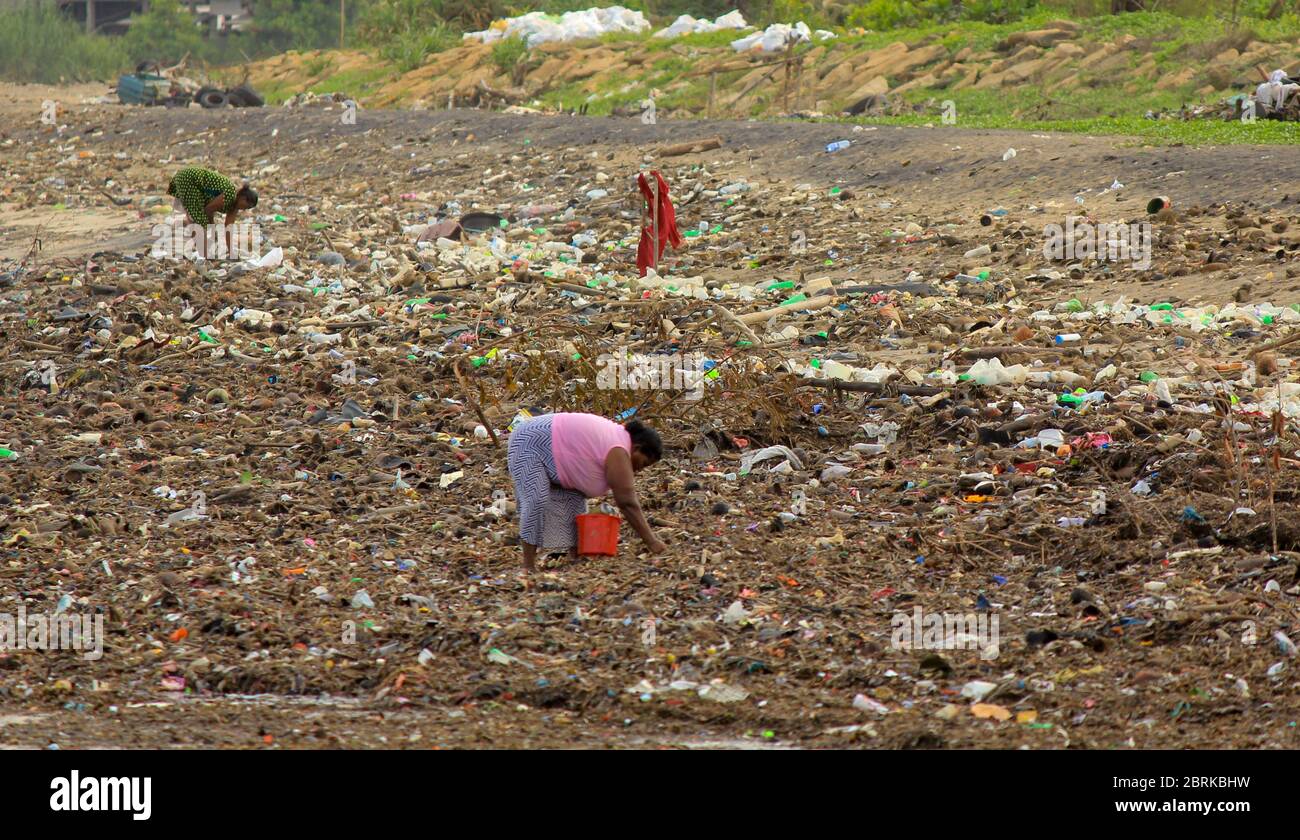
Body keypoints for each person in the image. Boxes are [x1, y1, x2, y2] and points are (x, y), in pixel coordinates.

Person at [507, 412, 666, 572]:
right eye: (643, 463)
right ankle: (528, 565)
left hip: (556, 449)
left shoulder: (617, 441)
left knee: (574, 496)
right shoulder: (619, 449)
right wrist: (651, 541)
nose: (639, 470)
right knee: (536, 498)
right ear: (637, 448)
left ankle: (574, 555)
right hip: (530, 441)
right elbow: (626, 502)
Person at [166, 167, 257, 258]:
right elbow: (208, 210)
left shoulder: (234, 206)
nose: (245, 209)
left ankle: (204, 253)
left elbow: (229, 228)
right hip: (189, 179)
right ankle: (205, 256)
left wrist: (231, 252)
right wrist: (211, 229)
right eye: (247, 206)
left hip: (196, 187)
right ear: (243, 198)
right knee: (199, 221)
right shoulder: (230, 194)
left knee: (198, 220)